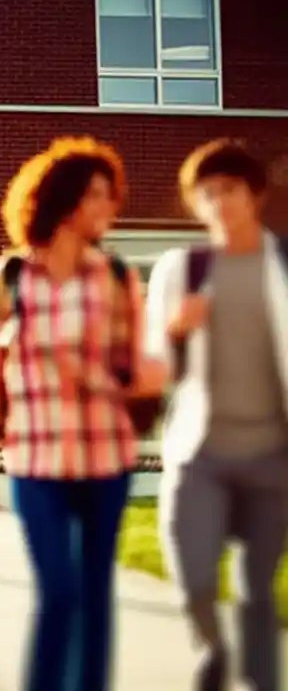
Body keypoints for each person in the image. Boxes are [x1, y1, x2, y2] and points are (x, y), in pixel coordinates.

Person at [0, 136, 164, 691]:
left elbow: (137, 377)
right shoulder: (5, 281)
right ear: (65, 199)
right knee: (58, 591)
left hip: (106, 457)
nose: (110, 209)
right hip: (36, 462)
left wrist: (109, 377)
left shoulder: (118, 279)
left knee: (96, 596)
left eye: (110, 196)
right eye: (99, 195)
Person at [145, 139, 288, 691]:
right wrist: (176, 330)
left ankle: (260, 679)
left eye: (228, 190)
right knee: (194, 579)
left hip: (272, 455)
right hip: (199, 453)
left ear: (254, 194)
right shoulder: (181, 270)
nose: (218, 202)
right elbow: (158, 368)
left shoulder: (284, 266)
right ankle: (211, 647)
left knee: (258, 588)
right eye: (206, 194)